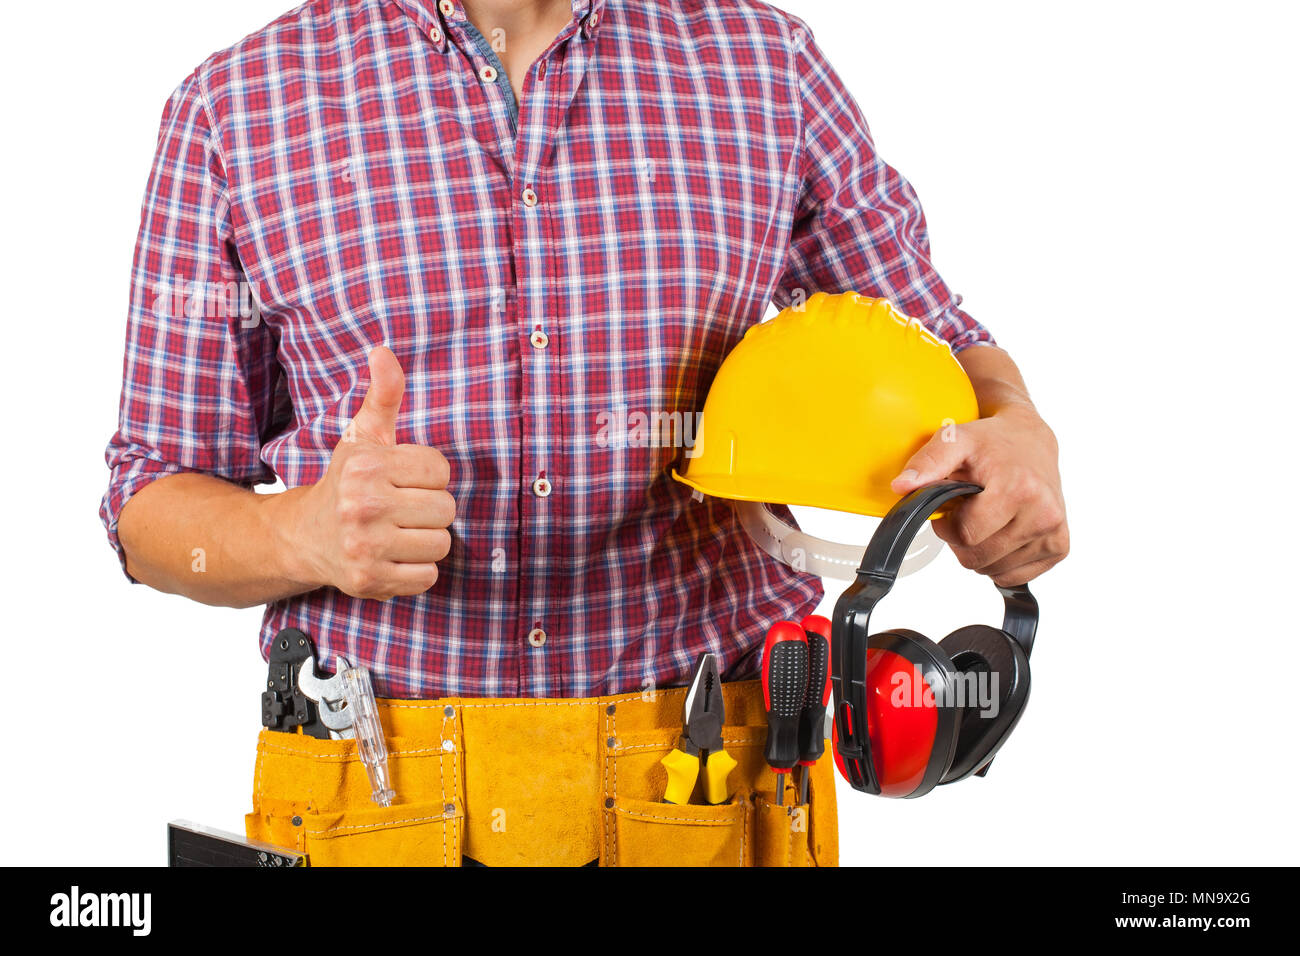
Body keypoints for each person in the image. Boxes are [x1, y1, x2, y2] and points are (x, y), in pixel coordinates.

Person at [100, 0, 1067, 867]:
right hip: (373, 789)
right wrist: (299, 533)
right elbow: (150, 502)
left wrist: (1016, 430)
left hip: (714, 785)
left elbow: (942, 353)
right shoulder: (236, 105)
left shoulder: (767, 66)